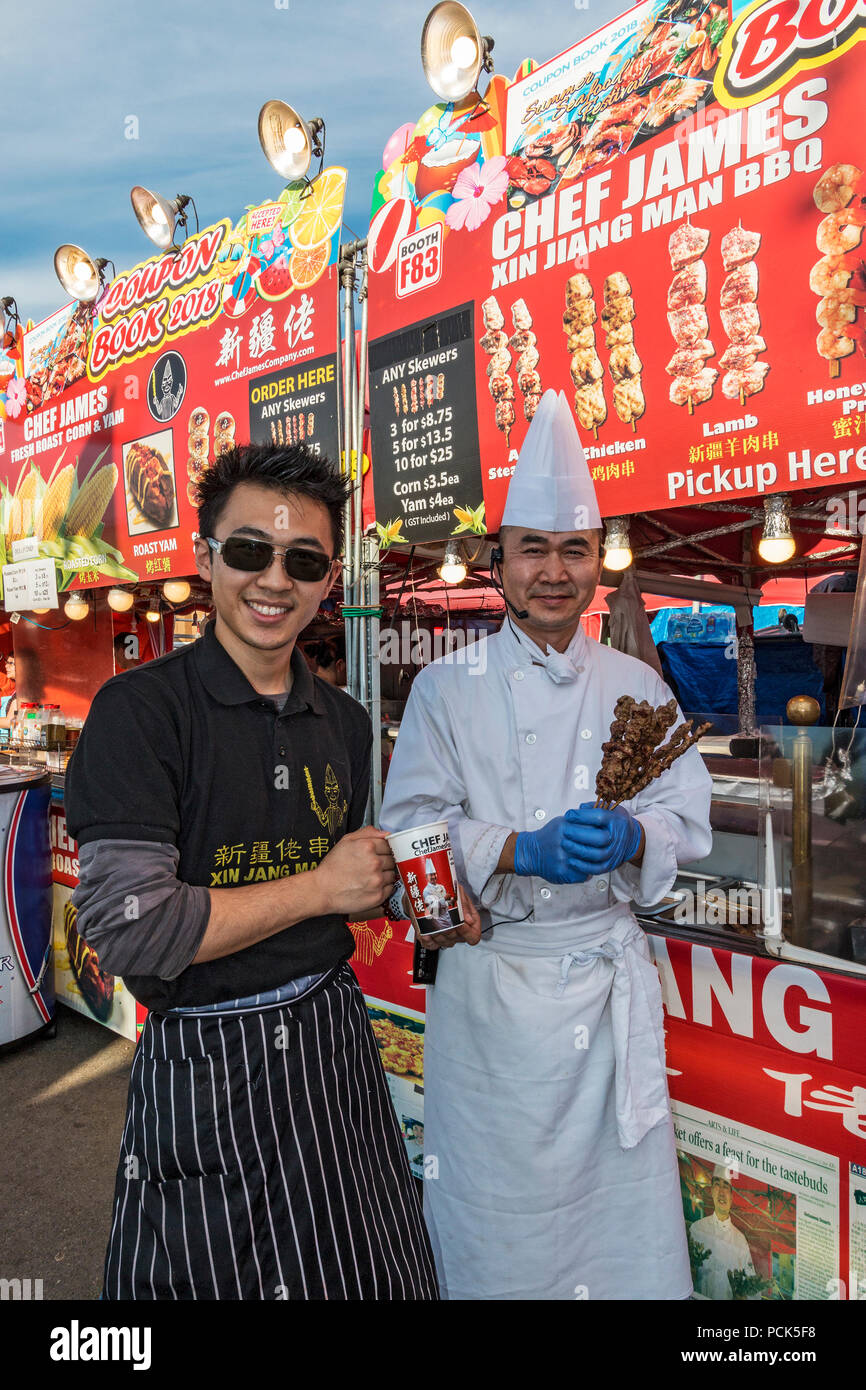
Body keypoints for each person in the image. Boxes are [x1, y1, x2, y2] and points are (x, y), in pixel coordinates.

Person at [66, 442, 446, 1301]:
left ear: (329, 580)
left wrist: (423, 888)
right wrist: (321, 890)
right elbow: (132, 928)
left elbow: (359, 880)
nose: (274, 580)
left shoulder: (344, 723)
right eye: (248, 551)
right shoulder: (141, 712)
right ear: (204, 559)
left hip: (329, 1046)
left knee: (365, 1274)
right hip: (200, 1060)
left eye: (303, 560)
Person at [381, 390, 713, 1300]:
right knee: (499, 1225)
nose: (554, 572)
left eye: (573, 550)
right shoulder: (447, 690)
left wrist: (636, 834)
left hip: (605, 994)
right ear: (502, 562)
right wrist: (517, 852)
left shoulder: (638, 683)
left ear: (596, 563)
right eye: (534, 549)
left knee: (613, 1236)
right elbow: (407, 835)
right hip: (492, 1005)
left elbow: (690, 819)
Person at [689, 1165, 757, 1300]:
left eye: (726, 1186)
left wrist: (742, 1296)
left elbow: (752, 1289)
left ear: (732, 1197)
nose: (721, 1192)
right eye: (717, 1185)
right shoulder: (697, 1229)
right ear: (711, 1191)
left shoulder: (740, 1240)